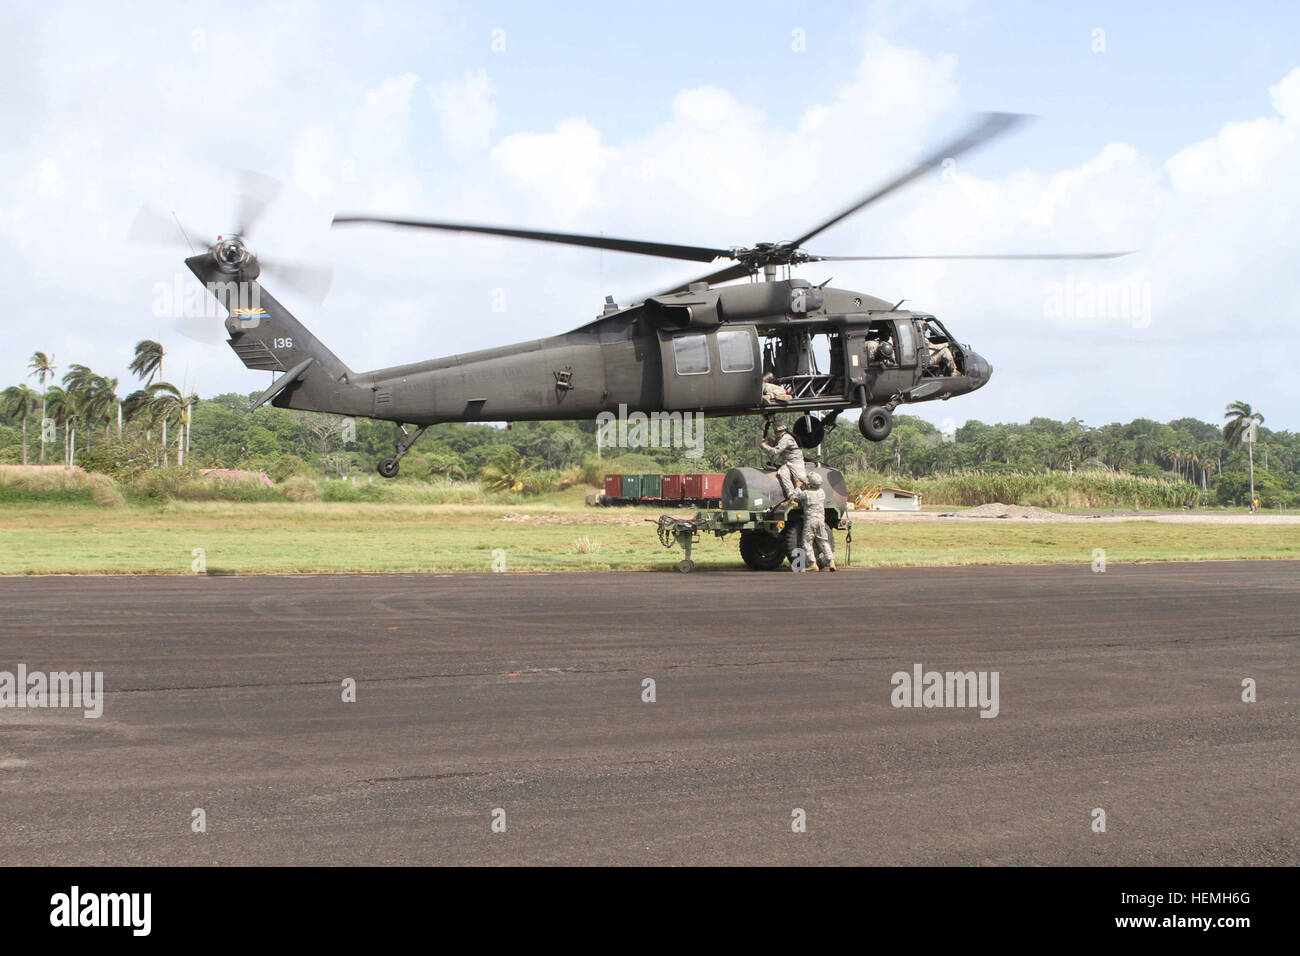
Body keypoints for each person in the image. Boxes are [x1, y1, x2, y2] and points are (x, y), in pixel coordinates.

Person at [791, 471, 836, 572]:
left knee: (807, 542)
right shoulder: (821, 492)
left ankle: (813, 564)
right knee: (823, 540)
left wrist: (798, 487)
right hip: (821, 520)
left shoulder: (806, 494)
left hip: (810, 520)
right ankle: (831, 561)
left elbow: (795, 498)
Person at [759, 420, 807, 501]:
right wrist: (769, 440)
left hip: (795, 462)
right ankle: (791, 496)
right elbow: (777, 445)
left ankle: (805, 497)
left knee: (800, 478)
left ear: (777, 431)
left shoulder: (786, 438)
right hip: (787, 463)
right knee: (782, 473)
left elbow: (775, 451)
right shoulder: (781, 438)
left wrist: (763, 446)